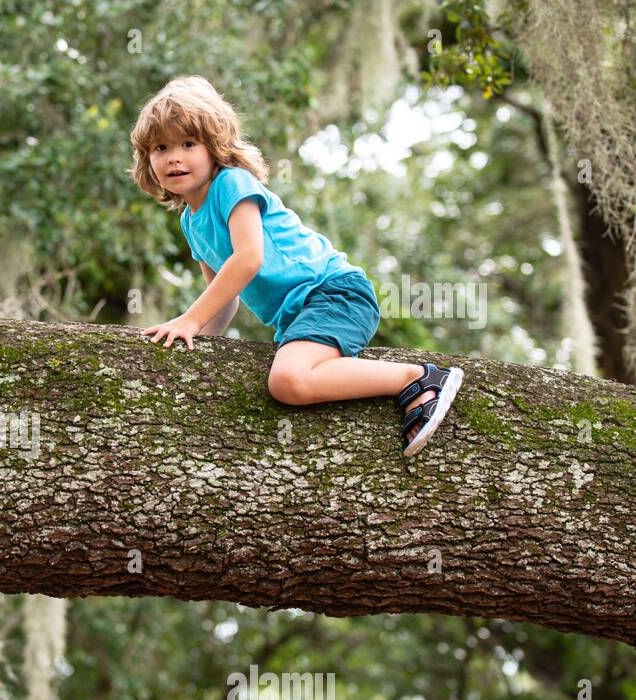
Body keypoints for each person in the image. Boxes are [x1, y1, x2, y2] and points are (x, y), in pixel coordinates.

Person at [129, 75, 464, 457]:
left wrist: (188, 319)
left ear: (215, 148)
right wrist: (195, 338)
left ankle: (421, 378)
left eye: (188, 144)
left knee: (287, 381)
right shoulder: (190, 221)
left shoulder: (232, 185)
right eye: (160, 147)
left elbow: (248, 259)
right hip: (303, 315)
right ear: (147, 159)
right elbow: (223, 298)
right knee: (290, 376)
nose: (174, 156)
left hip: (335, 294)